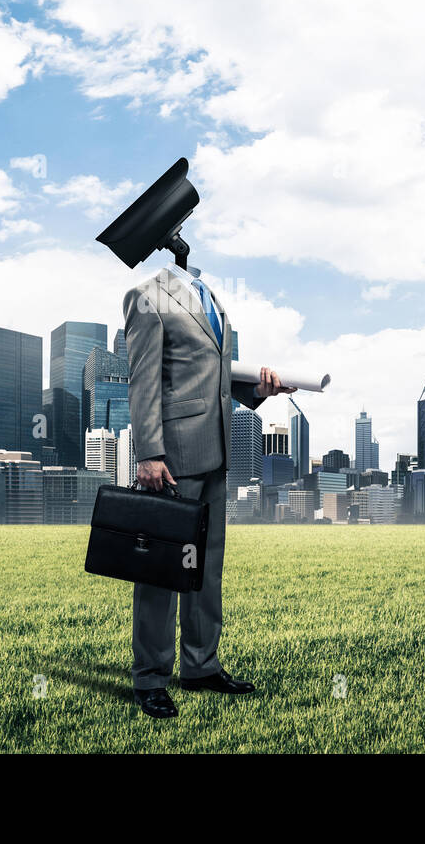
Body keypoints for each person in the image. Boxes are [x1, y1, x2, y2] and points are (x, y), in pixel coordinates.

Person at [122, 257, 295, 719]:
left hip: (215, 450)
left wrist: (257, 391)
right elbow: (142, 380)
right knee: (160, 572)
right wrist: (148, 452)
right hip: (171, 456)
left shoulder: (210, 297)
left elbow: (212, 377)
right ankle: (151, 679)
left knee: (205, 569)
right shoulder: (147, 297)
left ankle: (200, 666)